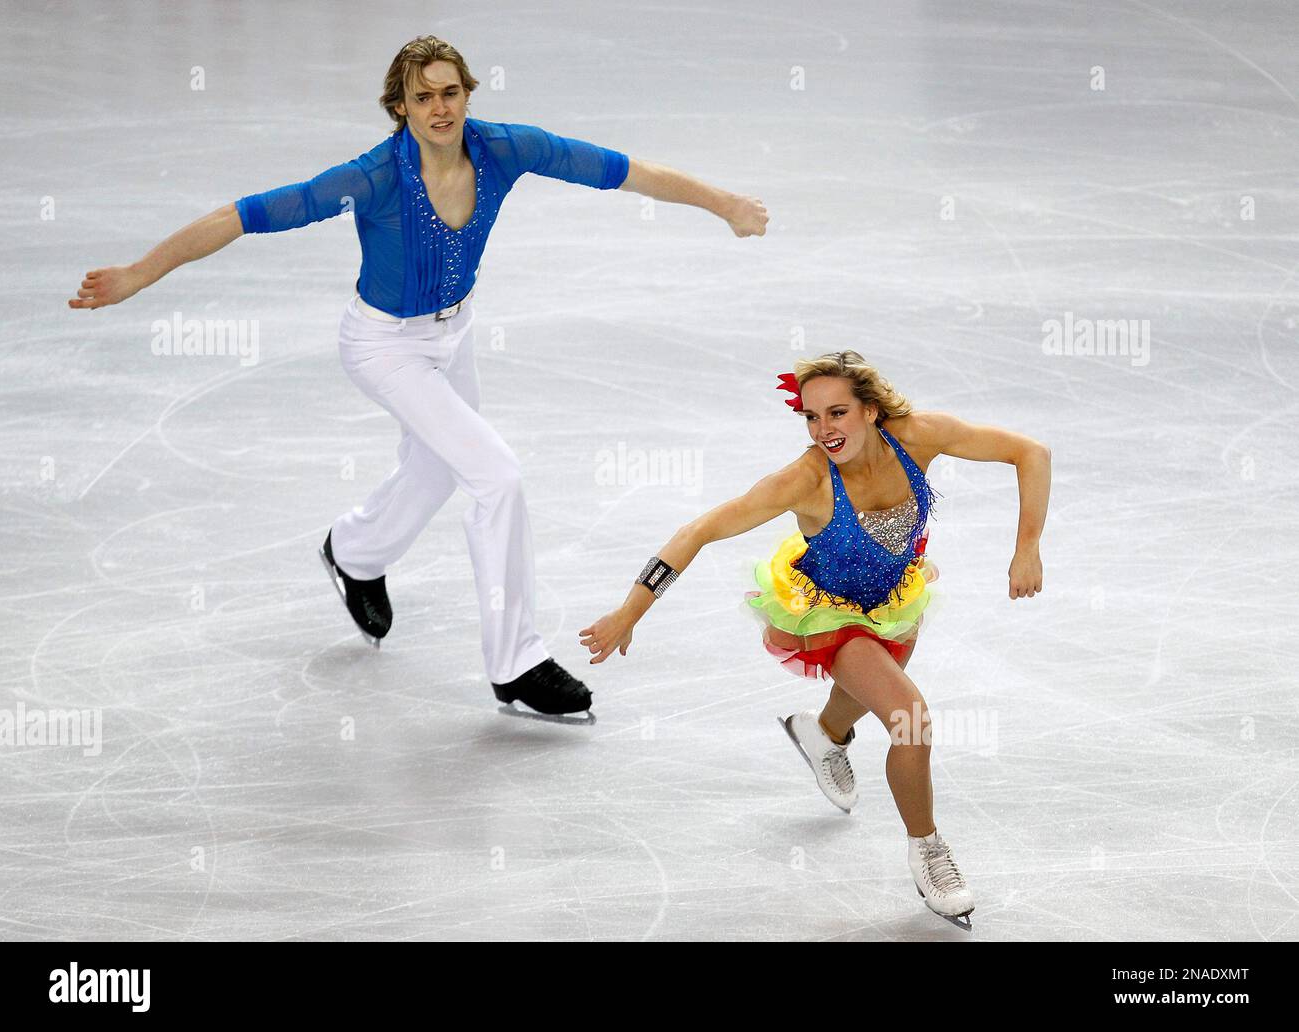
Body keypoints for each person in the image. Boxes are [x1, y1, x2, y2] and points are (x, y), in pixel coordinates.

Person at [68, 34, 768, 722]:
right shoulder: (371, 178)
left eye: (451, 92)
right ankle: (515, 662)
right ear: (399, 107)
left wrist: (726, 204)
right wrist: (137, 274)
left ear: (467, 93)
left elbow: (623, 171)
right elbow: (242, 216)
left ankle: (353, 550)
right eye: (422, 96)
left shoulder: (503, 147)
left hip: (452, 333)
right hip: (383, 346)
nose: (440, 108)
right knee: (498, 475)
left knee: (436, 472)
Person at [578, 350, 1051, 927]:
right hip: (827, 617)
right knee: (911, 719)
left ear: (872, 411)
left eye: (837, 413)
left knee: (871, 693)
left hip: (896, 600)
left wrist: (1026, 546)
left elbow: (1030, 453)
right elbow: (698, 530)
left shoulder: (920, 436)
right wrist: (631, 611)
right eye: (810, 417)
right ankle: (928, 849)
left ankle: (822, 733)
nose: (824, 430)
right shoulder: (804, 480)